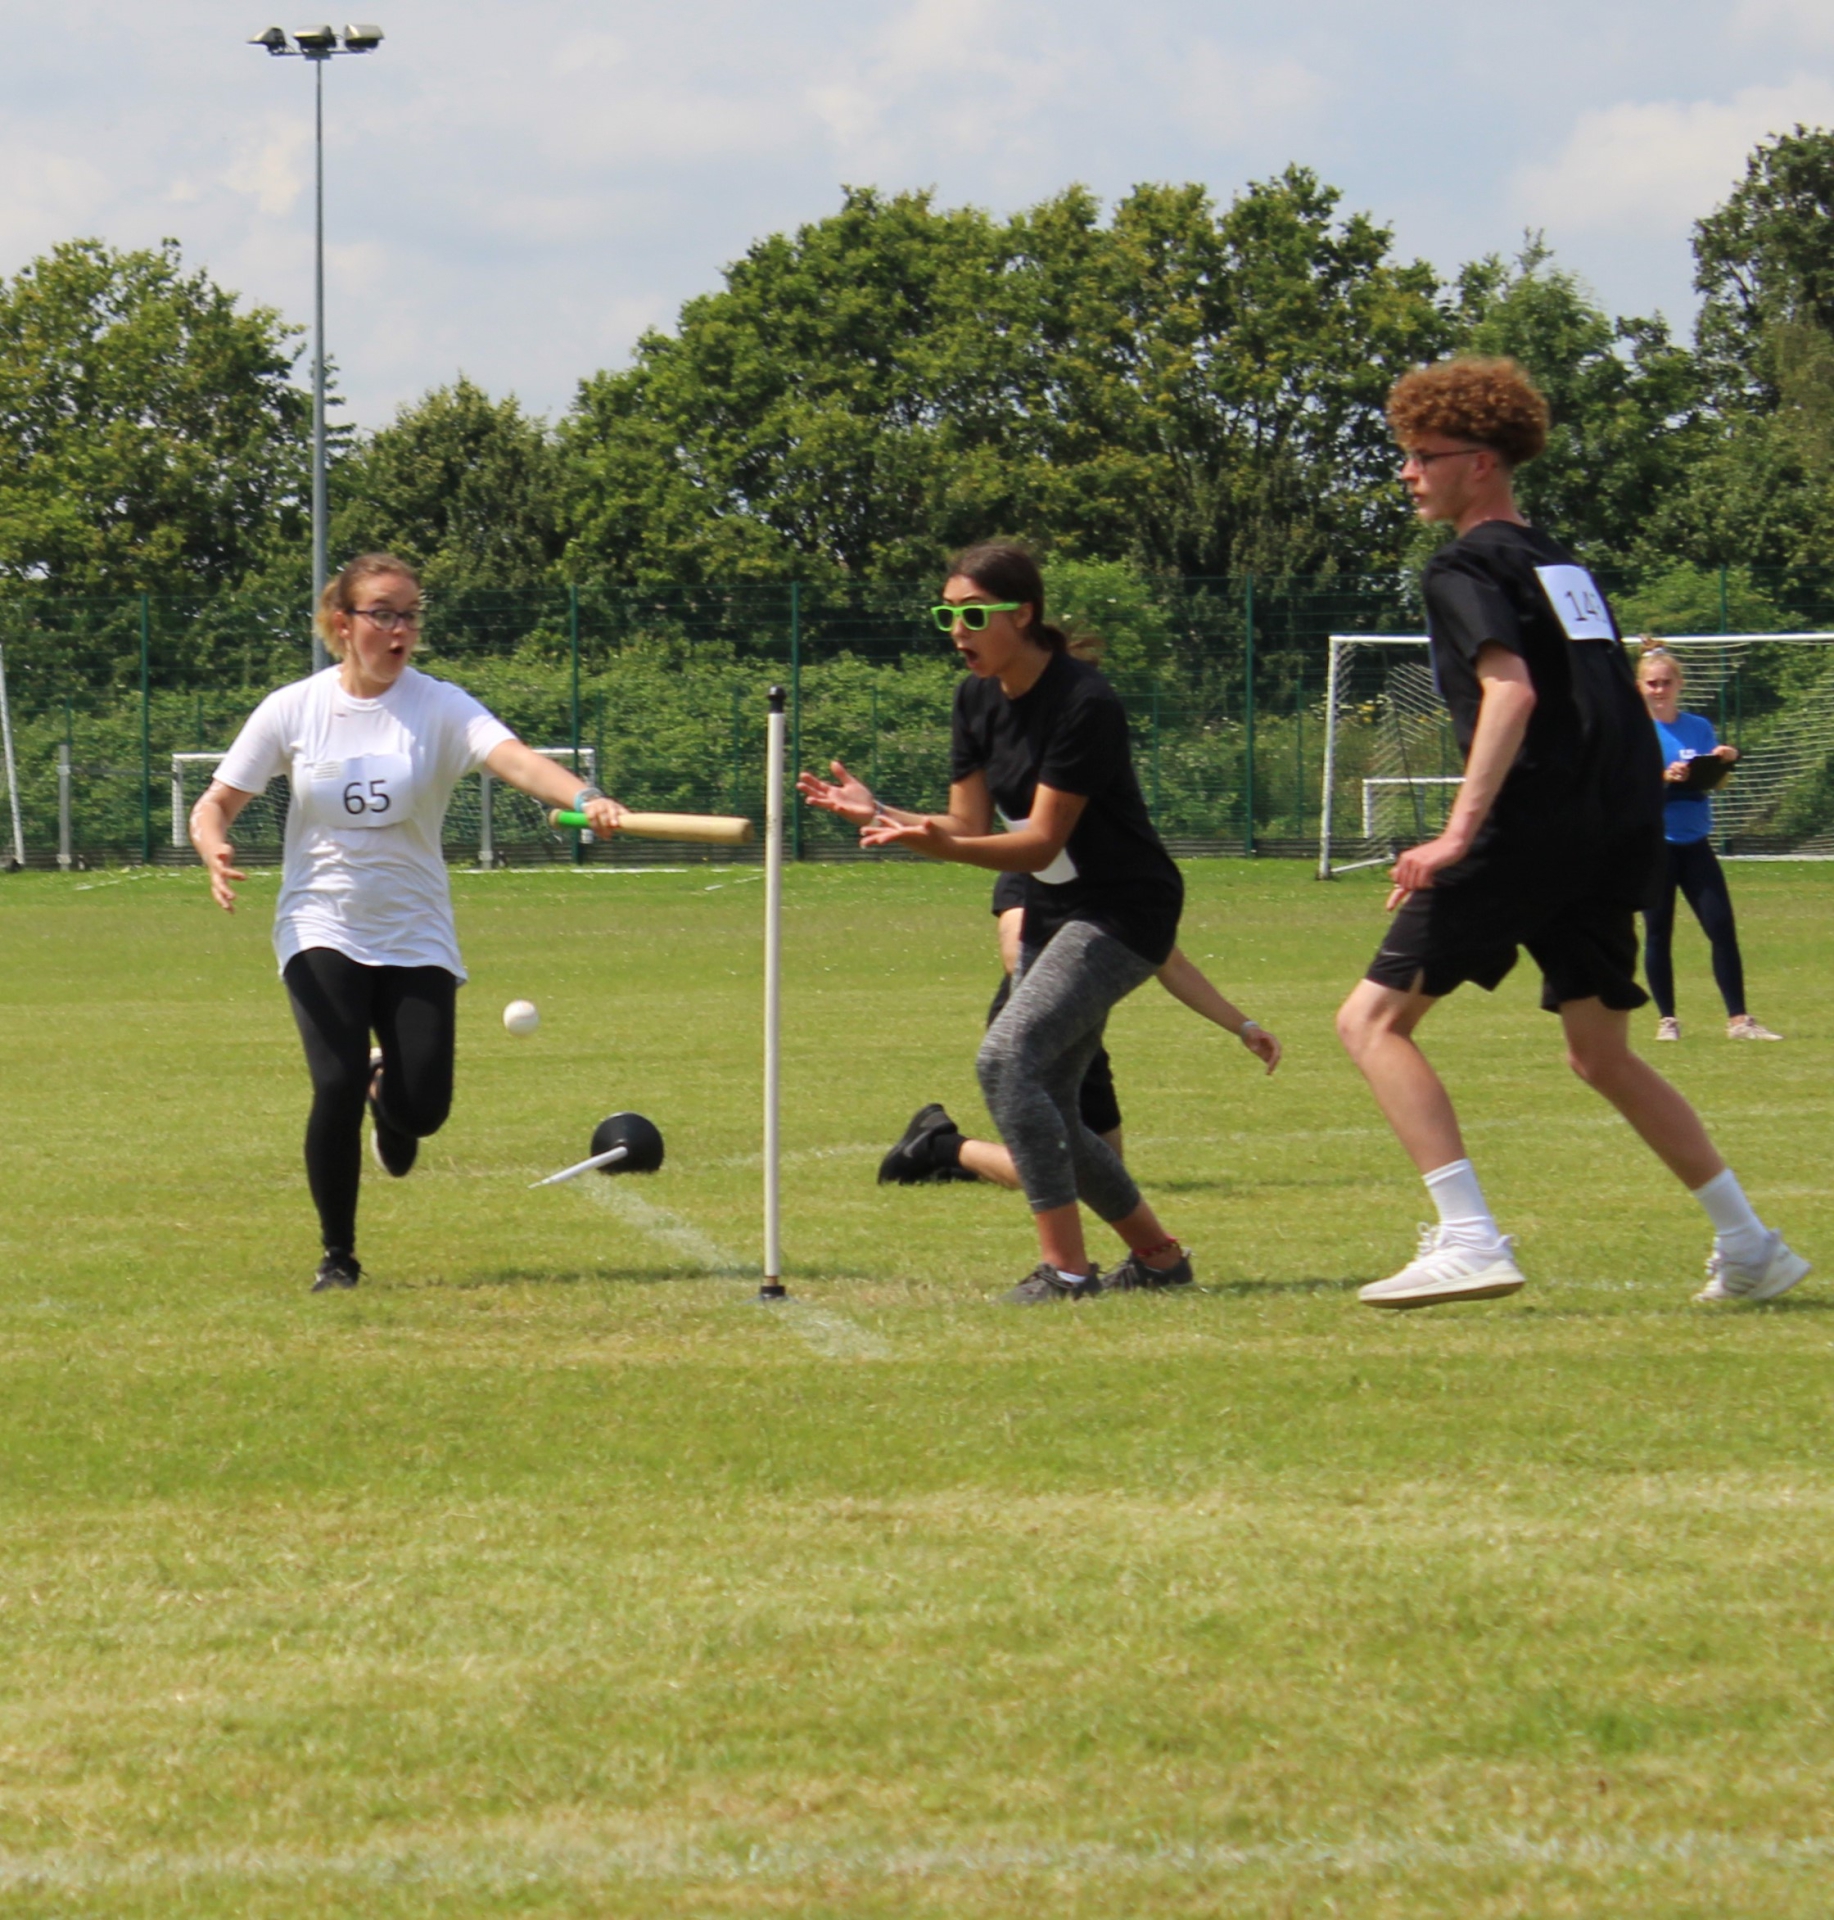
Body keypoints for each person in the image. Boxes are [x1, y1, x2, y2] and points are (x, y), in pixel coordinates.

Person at [1334, 358, 1808, 1309]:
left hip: (1534, 822)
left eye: (1423, 456)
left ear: (1481, 462)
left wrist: (1459, 834)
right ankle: (1750, 1243)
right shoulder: (1562, 566)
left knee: (1370, 1021)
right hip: (1616, 827)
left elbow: (1512, 690)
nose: (1407, 472)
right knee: (1602, 1052)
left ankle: (1467, 1236)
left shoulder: (1463, 565)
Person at [801, 542, 1262, 1302]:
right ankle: (1159, 1260)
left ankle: (1068, 1271)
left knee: (1005, 1061)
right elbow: (966, 821)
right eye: (946, 615)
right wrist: (880, 811)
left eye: (972, 614)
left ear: (1022, 613)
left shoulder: (1085, 702)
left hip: (1125, 911)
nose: (957, 629)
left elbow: (1040, 840)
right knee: (1044, 1097)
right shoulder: (973, 699)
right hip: (1056, 909)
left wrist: (936, 842)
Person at [188, 553, 625, 1293]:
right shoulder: (293, 708)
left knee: (423, 1111)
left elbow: (516, 761)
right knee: (332, 1080)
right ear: (342, 624)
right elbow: (215, 802)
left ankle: (387, 1095)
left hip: (415, 928)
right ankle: (339, 1256)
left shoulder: (441, 706)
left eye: (410, 614)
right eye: (383, 614)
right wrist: (212, 845)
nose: (400, 630)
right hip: (319, 920)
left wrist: (586, 793)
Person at [878, 887, 1280, 1187]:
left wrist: (1243, 1026)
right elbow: (1014, 950)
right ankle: (938, 1147)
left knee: (1105, 1168)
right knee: (1073, 1175)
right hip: (1034, 1025)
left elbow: (1169, 962)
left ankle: (959, 1156)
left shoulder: (1116, 871)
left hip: (1083, 1027)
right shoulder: (1034, 853)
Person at [1634, 644, 1781, 1042]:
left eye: (1666, 682)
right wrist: (1664, 778)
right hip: (1655, 845)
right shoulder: (1634, 730)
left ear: (1679, 684)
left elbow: (1712, 784)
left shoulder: (1698, 726)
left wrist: (1723, 761)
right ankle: (1667, 1020)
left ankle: (1739, 1020)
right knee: (1658, 932)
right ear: (1639, 686)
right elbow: (1625, 791)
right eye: (1652, 683)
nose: (1660, 689)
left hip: (1695, 841)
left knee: (1721, 927)